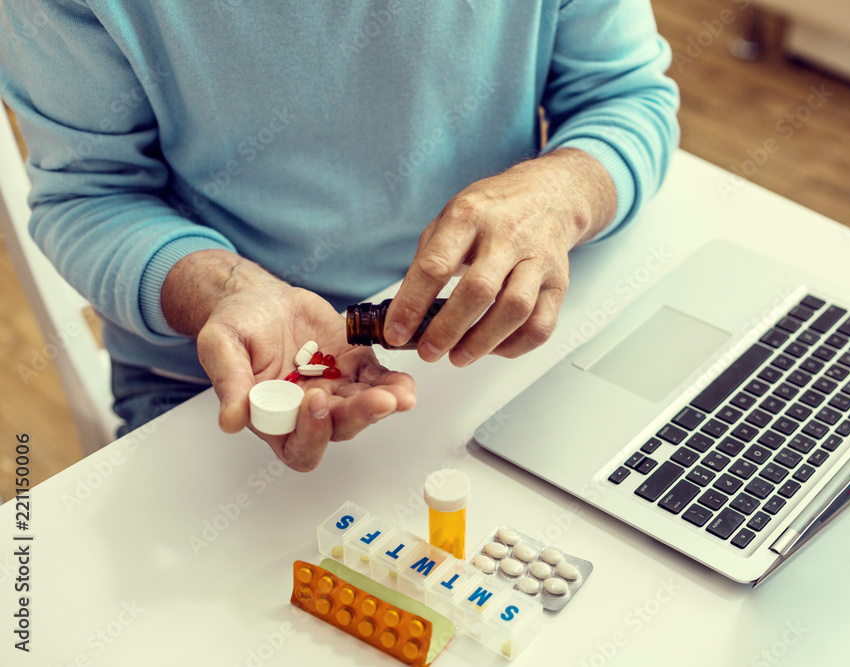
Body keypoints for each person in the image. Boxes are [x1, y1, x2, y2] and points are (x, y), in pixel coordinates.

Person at [0, 1, 679, 471]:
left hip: (499, 333)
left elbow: (625, 96)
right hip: (214, 377)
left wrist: (561, 194)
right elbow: (92, 195)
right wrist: (223, 291)